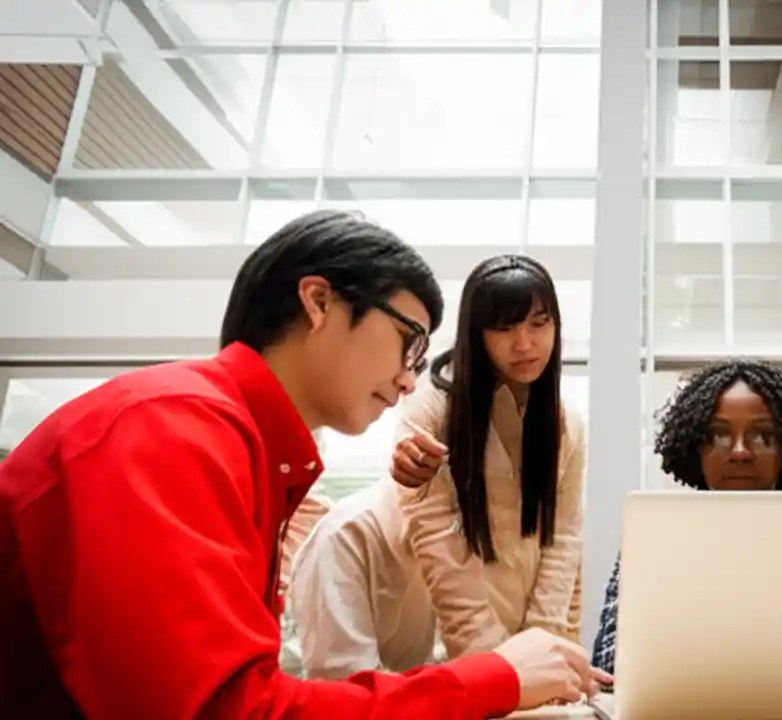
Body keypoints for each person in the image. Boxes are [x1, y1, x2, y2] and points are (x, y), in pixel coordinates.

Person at [0, 210, 602, 718]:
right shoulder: (167, 429)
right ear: (318, 302)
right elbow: (231, 709)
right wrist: (493, 675)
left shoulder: (239, 450)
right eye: (409, 340)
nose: (410, 374)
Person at [390, 254, 586, 661]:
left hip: (539, 651)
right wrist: (495, 662)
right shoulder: (432, 411)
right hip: (460, 652)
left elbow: (562, 540)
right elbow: (439, 550)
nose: (525, 343)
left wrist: (542, 643)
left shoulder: (565, 421)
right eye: (504, 327)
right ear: (476, 333)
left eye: (539, 323)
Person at [590, 359, 782, 674]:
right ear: (693, 448)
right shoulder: (656, 540)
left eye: (763, 436)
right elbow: (610, 669)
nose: (740, 451)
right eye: (717, 435)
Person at [289, 479, 437, 679]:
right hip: (364, 702)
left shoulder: (464, 532)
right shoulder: (342, 539)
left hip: (418, 694)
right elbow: (347, 685)